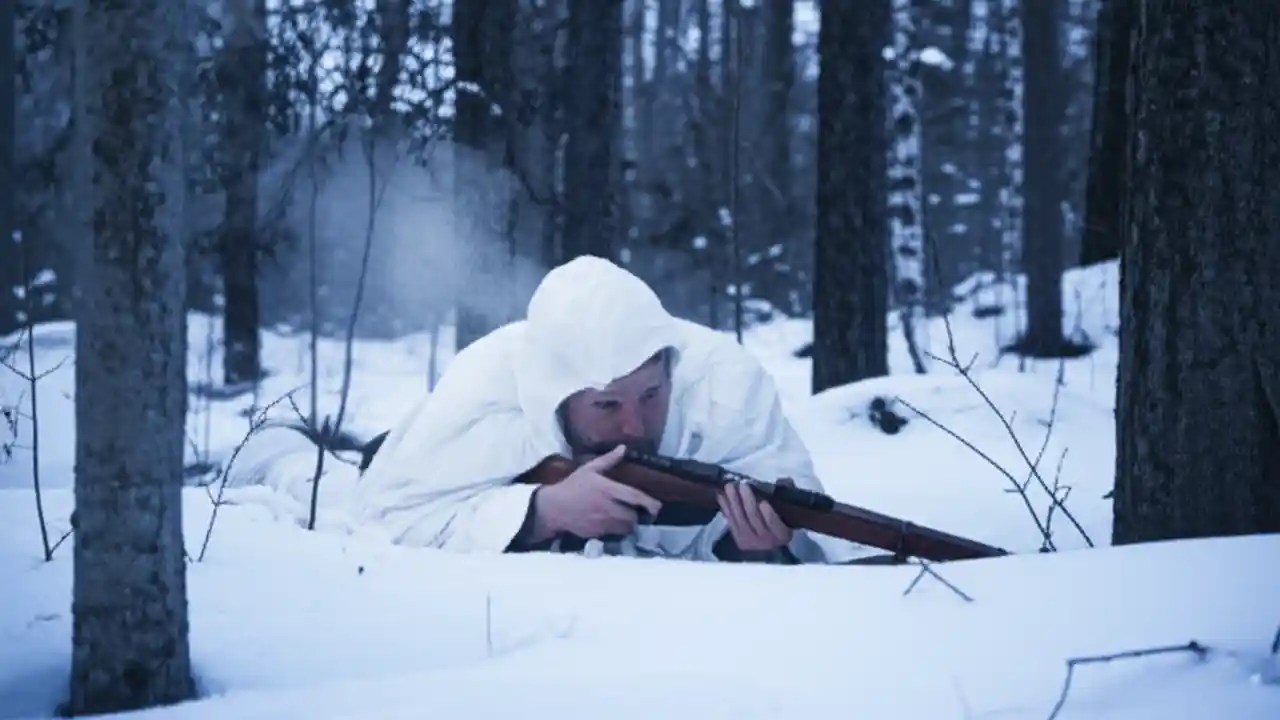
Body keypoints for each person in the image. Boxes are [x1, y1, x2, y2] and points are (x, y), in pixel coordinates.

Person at [348, 255, 839, 563]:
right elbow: (384, 522)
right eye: (607, 404)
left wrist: (751, 546)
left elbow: (816, 541)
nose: (635, 425)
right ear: (556, 396)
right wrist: (540, 512)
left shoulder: (723, 386)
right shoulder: (488, 386)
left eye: (651, 395)